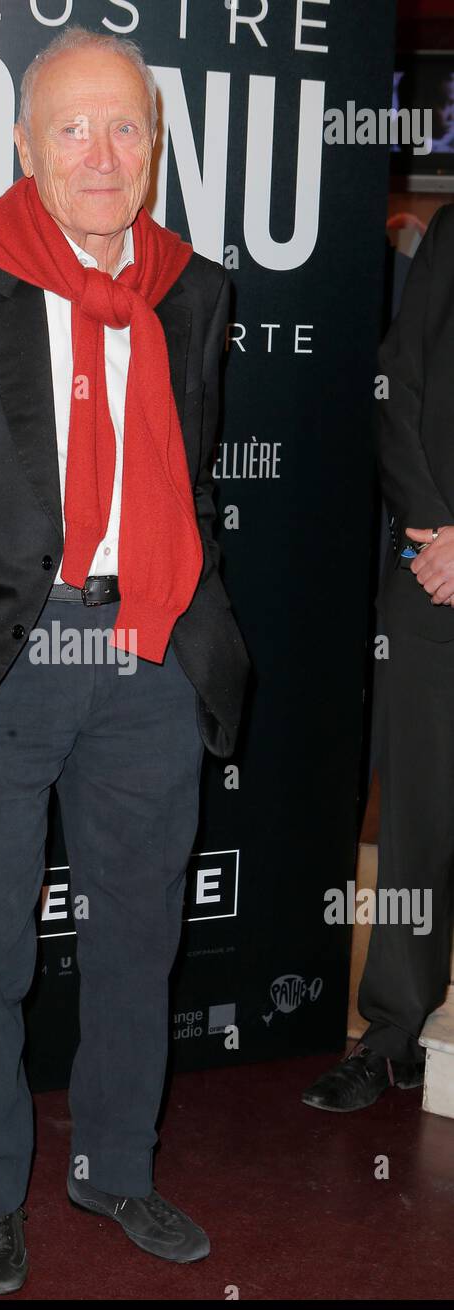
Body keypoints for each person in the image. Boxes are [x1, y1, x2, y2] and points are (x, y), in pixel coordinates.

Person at [0, 25, 249, 1293]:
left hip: (148, 661)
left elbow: (184, 473)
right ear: (26, 144)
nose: (101, 153)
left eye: (126, 127)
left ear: (156, 147)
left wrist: (173, 631)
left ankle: (117, 1168)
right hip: (2, 668)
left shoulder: (195, 289)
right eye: (72, 127)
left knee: (138, 940)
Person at [302, 203, 454, 1113]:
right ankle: (391, 1033)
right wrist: (433, 532)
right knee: (415, 820)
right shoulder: (451, 235)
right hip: (431, 573)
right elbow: (394, 384)